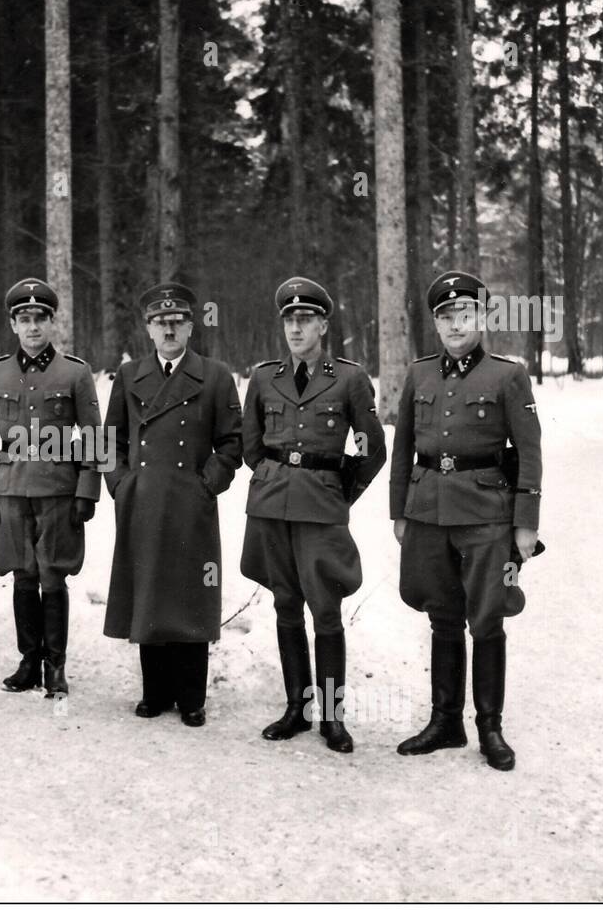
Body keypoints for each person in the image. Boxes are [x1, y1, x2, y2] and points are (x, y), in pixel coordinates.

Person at [390, 270, 543, 771]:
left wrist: (525, 523)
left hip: (485, 514)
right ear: (435, 323)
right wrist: (400, 512)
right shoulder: (420, 373)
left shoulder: (507, 374)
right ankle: (444, 722)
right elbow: (403, 446)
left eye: (465, 314)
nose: (456, 324)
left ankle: (490, 728)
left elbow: (529, 450)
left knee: (488, 617)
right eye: (446, 316)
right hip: (429, 510)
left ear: (482, 318)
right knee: (442, 615)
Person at [240, 276, 386, 753]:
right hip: (272, 506)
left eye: (305, 320)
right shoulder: (264, 377)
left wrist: (340, 492)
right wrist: (269, 474)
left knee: (326, 609)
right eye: (289, 320)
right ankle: (296, 710)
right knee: (286, 605)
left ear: (323, 324)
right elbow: (251, 445)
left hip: (321, 508)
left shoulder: (348, 378)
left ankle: (333, 717)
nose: (296, 329)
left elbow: (371, 449)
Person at [102, 282, 243, 727]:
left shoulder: (216, 375)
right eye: (160, 323)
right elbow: (109, 441)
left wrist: (208, 484)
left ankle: (192, 697)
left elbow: (233, 441)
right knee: (149, 593)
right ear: (148, 329)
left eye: (177, 322)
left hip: (191, 503)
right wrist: (121, 484)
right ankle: (154, 692)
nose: (169, 330)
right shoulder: (128, 376)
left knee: (190, 596)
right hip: (143, 500)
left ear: (190, 329)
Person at [0, 278, 102, 698]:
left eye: (40, 318)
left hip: (58, 489)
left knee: (53, 575)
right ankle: (28, 661)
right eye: (24, 319)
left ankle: (56, 666)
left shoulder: (75, 372)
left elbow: (96, 435)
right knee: (22, 574)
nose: (32, 327)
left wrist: (87, 490)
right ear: (12, 323)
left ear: (52, 323)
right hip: (10, 488)